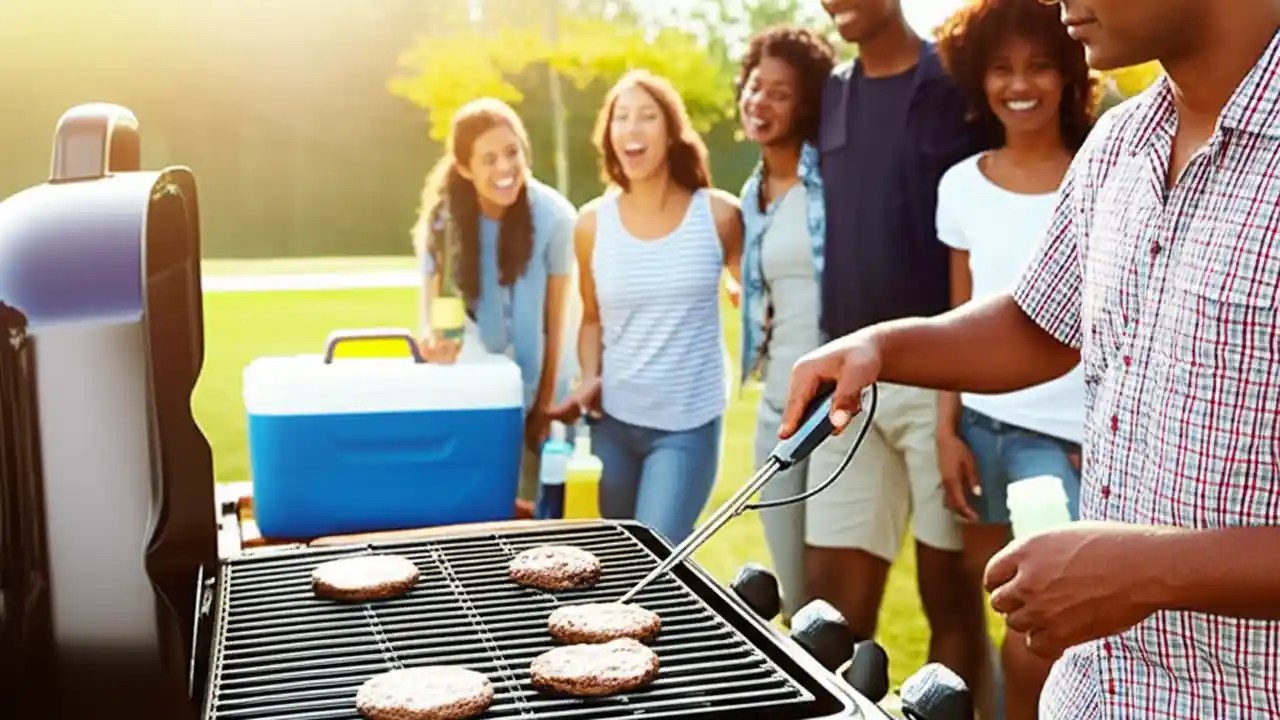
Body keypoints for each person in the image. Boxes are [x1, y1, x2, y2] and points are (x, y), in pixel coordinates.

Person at [781, 0, 1280, 716]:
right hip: (1093, 697)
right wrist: (883, 345)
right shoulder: (1117, 144)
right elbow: (1038, 324)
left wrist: (1153, 571)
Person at [811, 0, 994, 695]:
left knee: (949, 602)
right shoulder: (830, 93)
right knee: (830, 614)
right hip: (848, 385)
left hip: (939, 376)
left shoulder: (955, 85)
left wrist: (955, 406)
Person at [933, 2, 1098, 716]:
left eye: (1038, 65)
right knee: (994, 598)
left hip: (1062, 445)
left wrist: (1096, 442)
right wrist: (947, 431)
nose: (1020, 84)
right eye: (1002, 68)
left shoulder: (1101, 171)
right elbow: (961, 316)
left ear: (1067, 75)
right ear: (981, 80)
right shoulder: (960, 185)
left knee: (1040, 631)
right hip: (977, 430)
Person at [548, 70, 744, 545]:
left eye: (647, 116)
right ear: (608, 134)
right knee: (618, 559)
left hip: (686, 426)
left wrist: (743, 292)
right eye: (621, 118)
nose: (632, 129)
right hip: (613, 423)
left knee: (660, 562)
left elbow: (755, 290)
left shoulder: (718, 215)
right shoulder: (592, 223)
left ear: (672, 130)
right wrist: (589, 374)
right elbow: (592, 319)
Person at [412, 97, 578, 503]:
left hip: (544, 392)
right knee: (477, 512)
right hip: (477, 397)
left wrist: (542, 408)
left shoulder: (554, 217)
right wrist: (435, 347)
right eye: (488, 159)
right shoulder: (443, 223)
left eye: (511, 152)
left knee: (538, 516)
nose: (504, 168)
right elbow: (432, 320)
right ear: (465, 167)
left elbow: (555, 324)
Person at [736, 25, 836, 623]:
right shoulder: (753, 194)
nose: (762, 102)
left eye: (781, 92)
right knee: (794, 593)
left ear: (807, 103)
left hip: (830, 410)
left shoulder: (830, 183)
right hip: (776, 412)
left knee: (823, 600)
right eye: (756, 87)